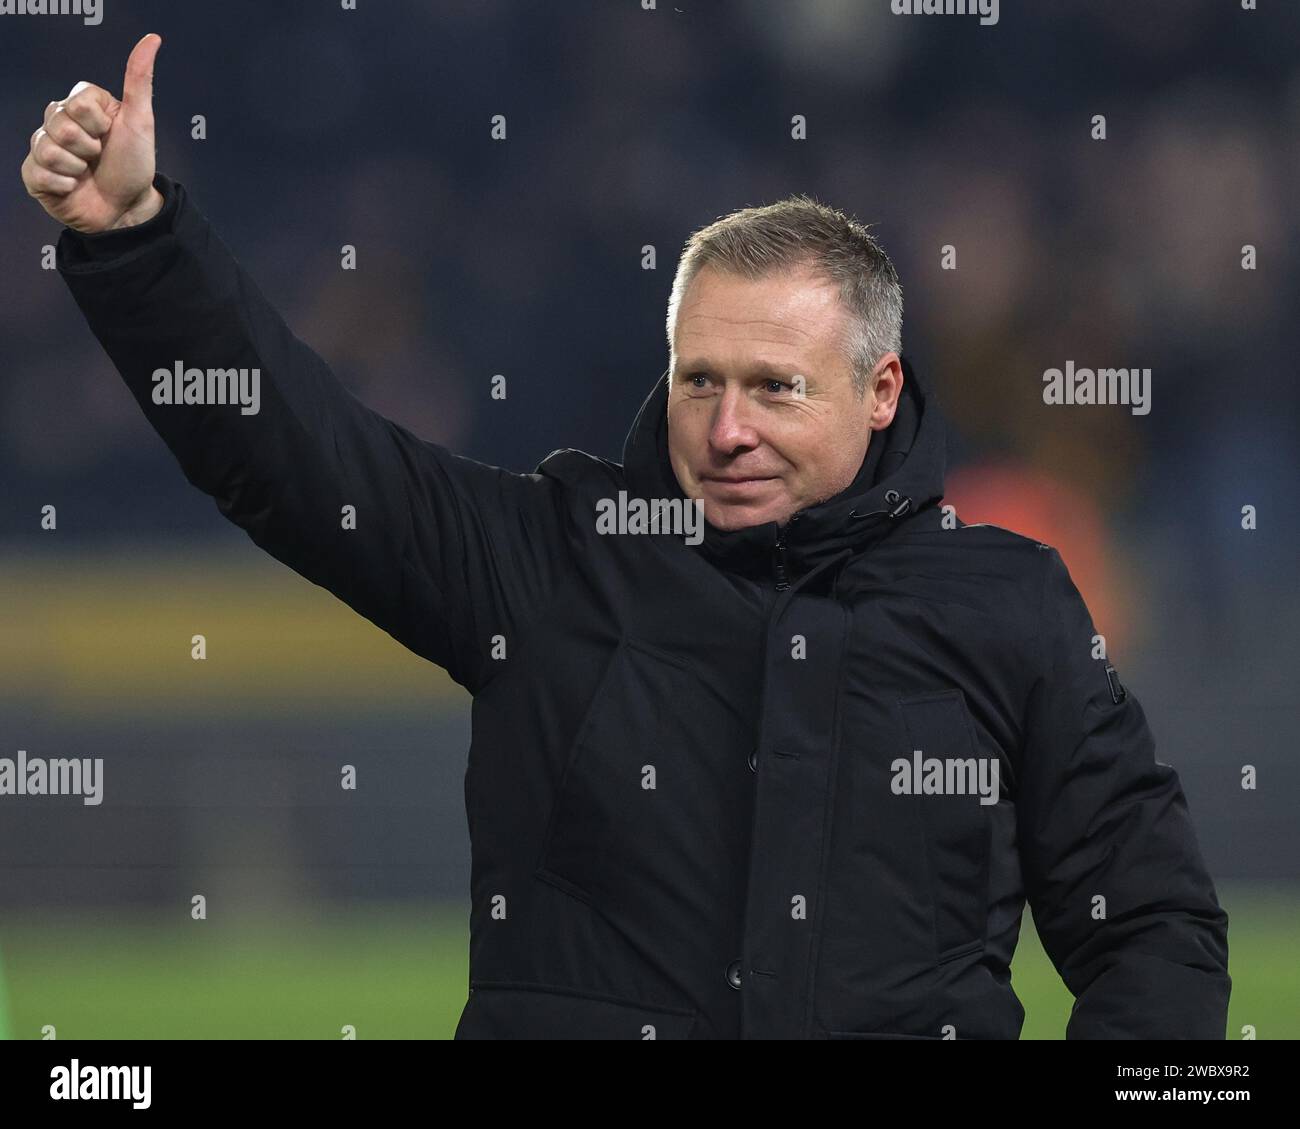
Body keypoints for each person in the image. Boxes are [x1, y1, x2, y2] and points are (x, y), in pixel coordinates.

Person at [20, 33, 1230, 1040]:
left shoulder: (1006, 602)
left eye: (776, 387)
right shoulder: (552, 557)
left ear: (879, 388)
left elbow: (1151, 929)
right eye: (700, 380)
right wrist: (138, 242)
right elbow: (294, 454)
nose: (728, 426)